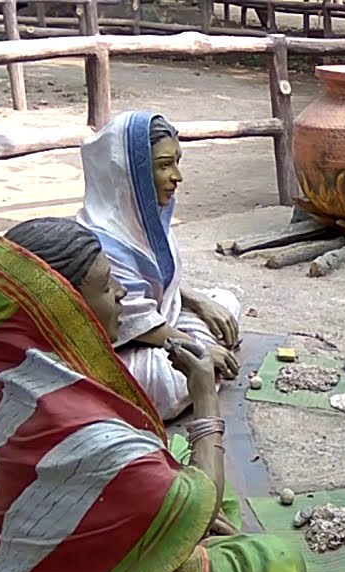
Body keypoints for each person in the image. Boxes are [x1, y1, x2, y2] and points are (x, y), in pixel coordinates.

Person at [0, 217, 306, 572]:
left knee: (174, 461)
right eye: (105, 286)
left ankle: (162, 524)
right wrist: (205, 398)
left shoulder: (25, 373)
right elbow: (192, 497)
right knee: (276, 560)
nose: (121, 296)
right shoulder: (96, 441)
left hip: (20, 567)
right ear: (64, 312)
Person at [78, 110, 243, 420]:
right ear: (132, 173)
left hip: (159, 324)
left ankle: (205, 367)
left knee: (225, 303)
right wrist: (196, 348)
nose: (177, 177)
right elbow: (129, 321)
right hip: (119, 346)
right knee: (166, 382)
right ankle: (202, 374)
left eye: (177, 162)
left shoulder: (145, 218)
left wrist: (200, 302)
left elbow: (160, 289)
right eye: (164, 165)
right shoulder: (101, 241)